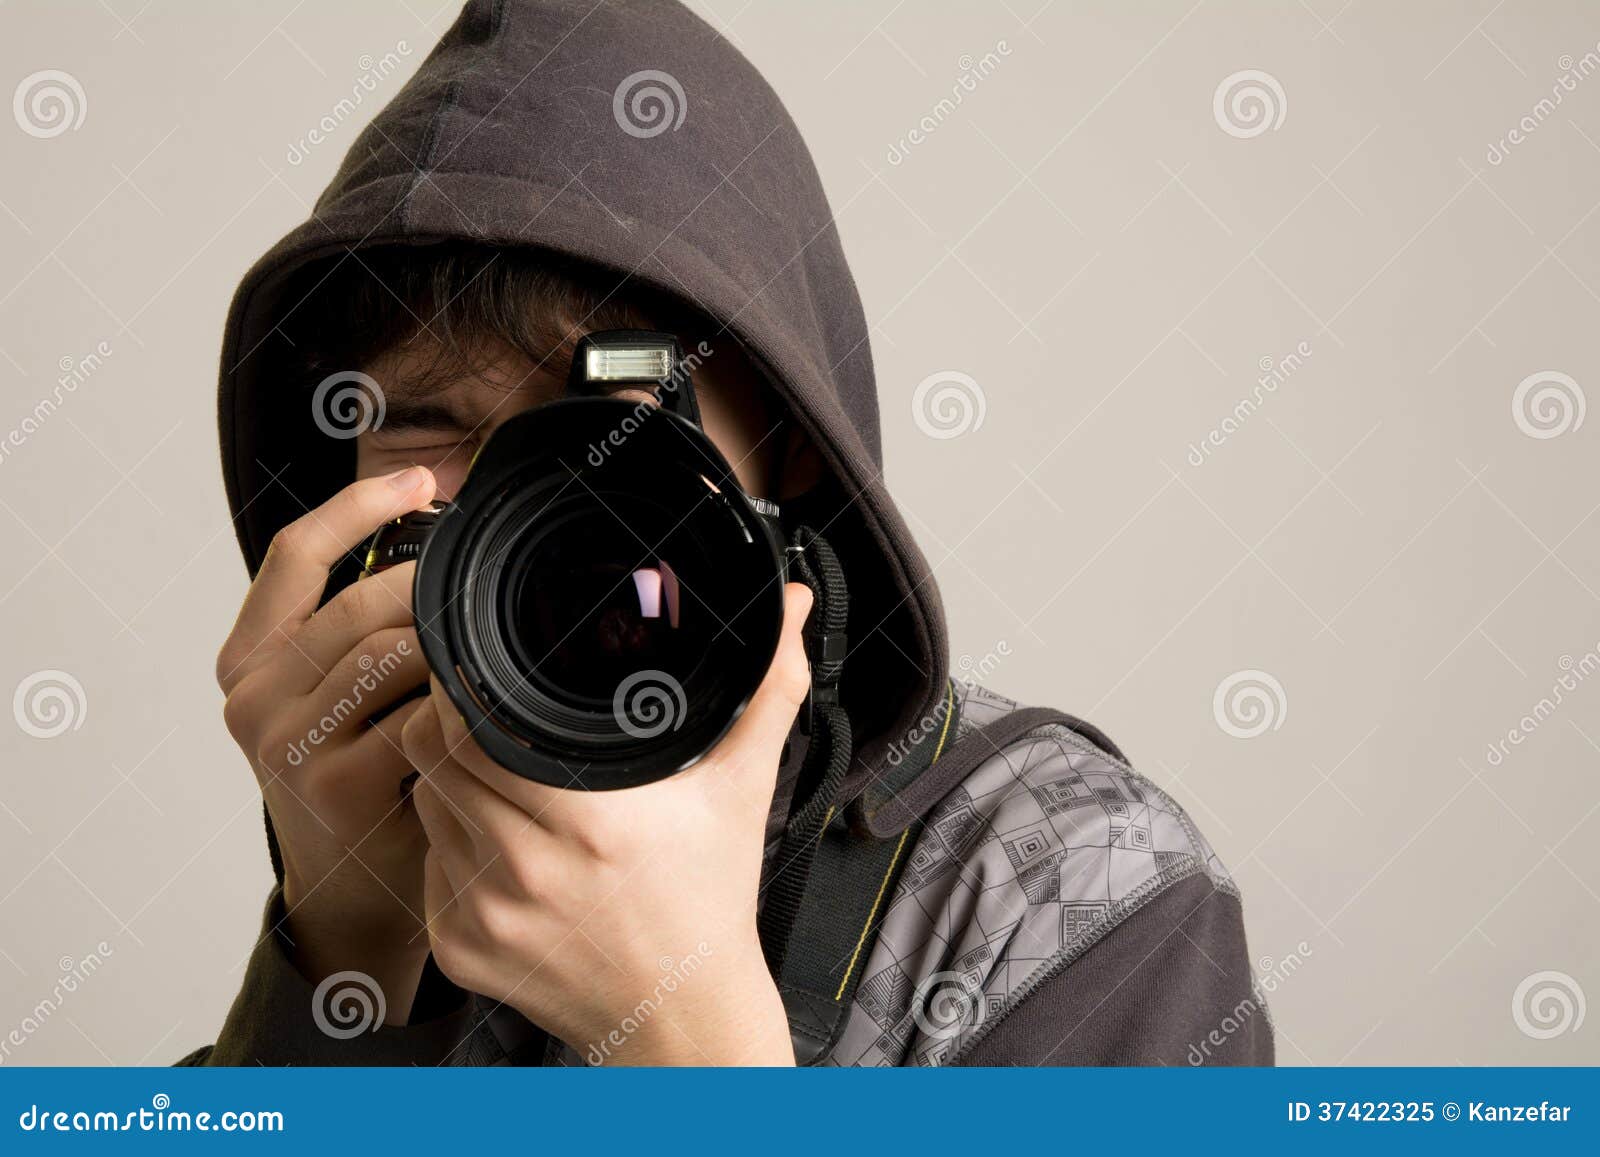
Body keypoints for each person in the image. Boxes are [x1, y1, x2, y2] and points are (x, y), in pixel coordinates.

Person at [182, 0, 1271, 1067]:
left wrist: (683, 1027)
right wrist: (342, 949)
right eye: (430, 426)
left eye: (605, 423)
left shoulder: (1067, 886)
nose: (540, 494)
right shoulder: (391, 833)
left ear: (795, 434)